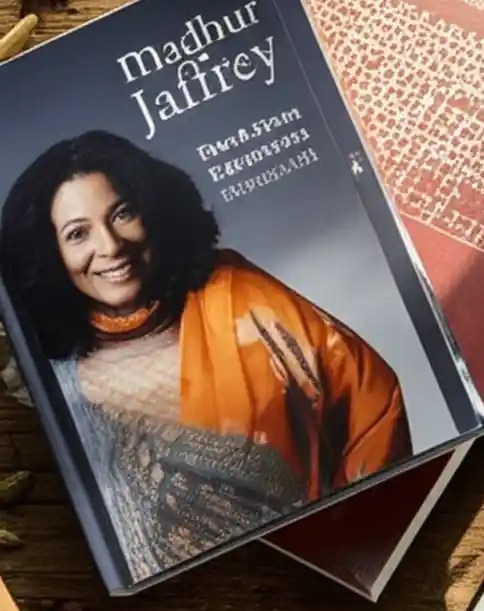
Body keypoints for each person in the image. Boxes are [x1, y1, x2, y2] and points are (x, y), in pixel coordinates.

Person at [0, 130, 411, 581]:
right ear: (50, 254)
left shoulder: (242, 300)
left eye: (122, 213)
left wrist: (351, 542)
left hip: (312, 577)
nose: (112, 246)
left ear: (153, 212)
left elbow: (374, 405)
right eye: (78, 234)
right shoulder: (37, 371)